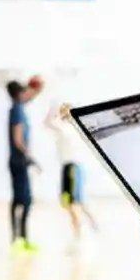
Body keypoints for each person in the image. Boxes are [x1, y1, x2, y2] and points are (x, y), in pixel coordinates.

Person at [46, 103, 98, 248]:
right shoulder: (74, 129)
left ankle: (80, 236)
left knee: (72, 203)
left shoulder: (66, 128)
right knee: (76, 202)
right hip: (72, 167)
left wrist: (52, 108)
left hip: (72, 168)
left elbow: (48, 122)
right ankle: (91, 228)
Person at [7, 79, 42, 252]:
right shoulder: (18, 111)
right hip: (20, 161)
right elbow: (18, 138)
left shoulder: (14, 109)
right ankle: (22, 239)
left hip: (15, 160)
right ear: (20, 93)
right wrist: (31, 157)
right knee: (26, 200)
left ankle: (16, 239)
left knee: (17, 199)